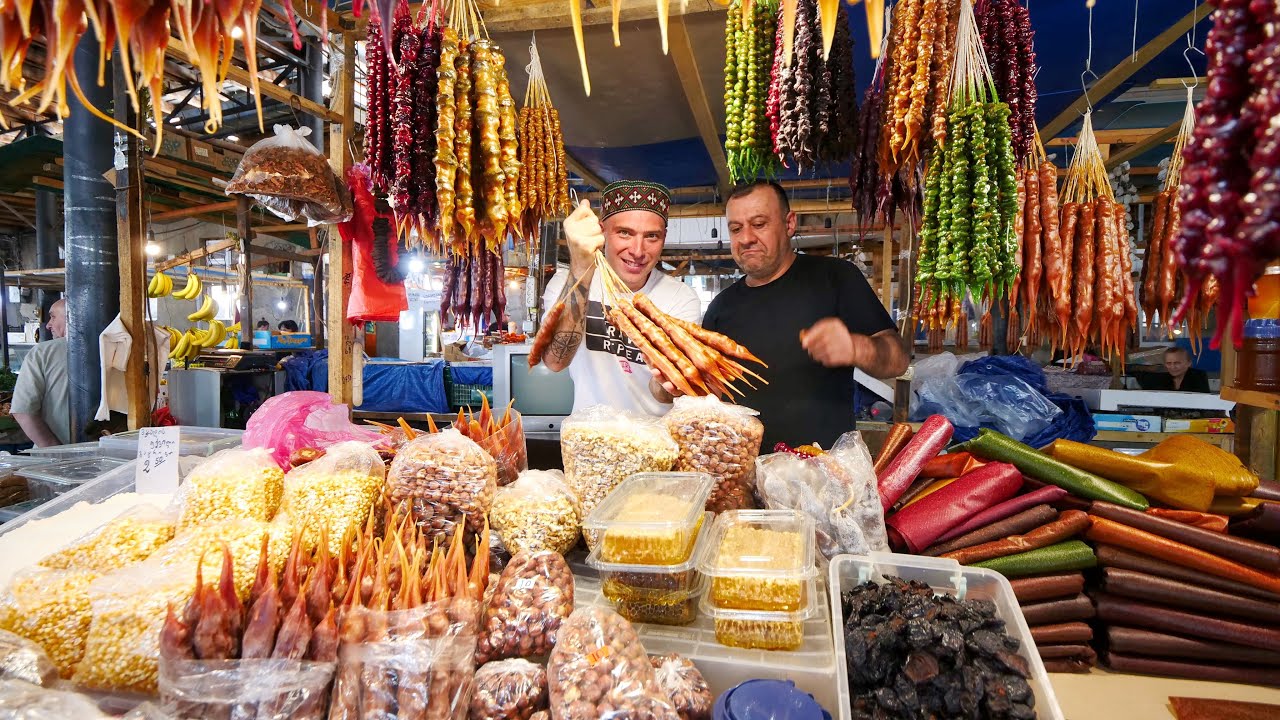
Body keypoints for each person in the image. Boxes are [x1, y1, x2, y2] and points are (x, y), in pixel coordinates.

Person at [657, 181, 909, 450]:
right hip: (746, 474)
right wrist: (669, 386)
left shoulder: (835, 277)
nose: (746, 238)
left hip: (823, 472)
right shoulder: (721, 307)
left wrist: (857, 348)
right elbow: (710, 394)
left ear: (789, 224)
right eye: (736, 228)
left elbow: (898, 360)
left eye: (759, 223)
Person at [540, 180, 701, 416]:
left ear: (664, 238)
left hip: (655, 443)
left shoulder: (680, 298)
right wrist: (581, 267)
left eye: (652, 236)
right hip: (589, 441)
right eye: (625, 233)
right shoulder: (567, 282)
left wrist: (668, 380)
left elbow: (663, 396)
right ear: (603, 230)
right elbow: (555, 361)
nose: (637, 250)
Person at [13, 299, 70, 447]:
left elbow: (22, 411)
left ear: (71, 316)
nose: (49, 324)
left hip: (53, 463)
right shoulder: (111, 347)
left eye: (53, 317)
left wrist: (57, 453)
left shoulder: (42, 352)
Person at [1138, 346, 1211, 393]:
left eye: (1177, 363)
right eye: (1169, 363)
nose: (1172, 367)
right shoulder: (1160, 377)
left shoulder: (1198, 376)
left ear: (1189, 363)